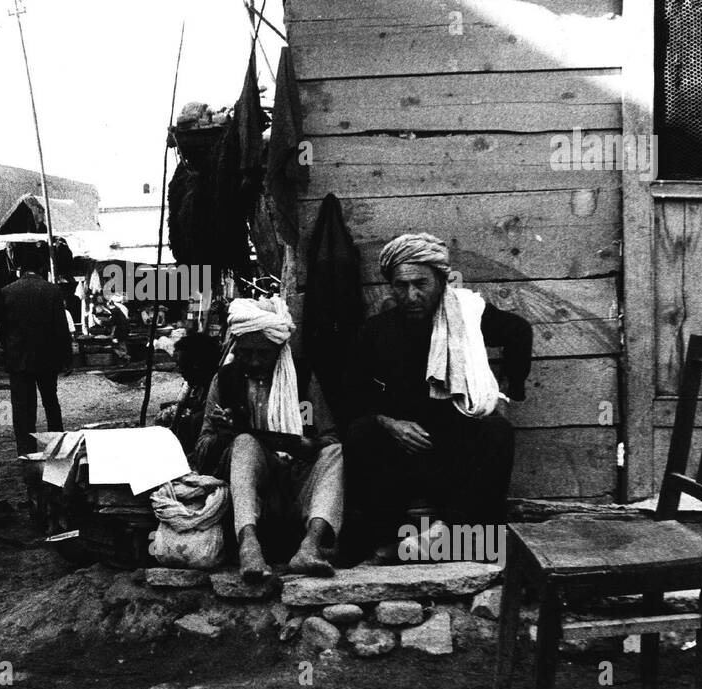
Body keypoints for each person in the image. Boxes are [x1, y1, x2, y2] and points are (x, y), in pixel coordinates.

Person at [342, 233, 532, 561]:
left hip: (456, 447)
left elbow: (520, 332)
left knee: (497, 432)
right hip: (405, 449)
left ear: (441, 281)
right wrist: (389, 423)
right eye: (401, 286)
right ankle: (392, 539)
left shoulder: (468, 317)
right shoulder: (377, 331)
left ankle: (453, 535)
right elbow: (353, 393)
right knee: (361, 433)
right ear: (391, 286)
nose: (412, 295)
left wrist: (505, 394)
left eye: (421, 284)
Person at [193, 297, 343, 580]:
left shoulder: (301, 376)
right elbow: (200, 453)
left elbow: (329, 435)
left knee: (334, 452)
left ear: (279, 349)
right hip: (251, 491)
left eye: (263, 353)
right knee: (245, 443)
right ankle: (249, 546)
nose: (254, 361)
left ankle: (310, 547)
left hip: (294, 483)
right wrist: (222, 437)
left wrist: (309, 446)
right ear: (236, 349)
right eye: (246, 353)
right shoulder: (225, 379)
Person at [0, 248, 73, 455]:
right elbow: (61, 327)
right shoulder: (52, 291)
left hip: (18, 360)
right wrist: (66, 358)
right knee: (51, 402)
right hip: (47, 359)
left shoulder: (7, 291)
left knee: (23, 408)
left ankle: (26, 451)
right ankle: (58, 448)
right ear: (41, 268)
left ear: (20, 269)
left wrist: (9, 353)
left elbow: (3, 329)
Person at [156, 331, 221, 456]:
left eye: (183, 367)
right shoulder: (199, 386)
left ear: (197, 366)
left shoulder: (217, 386)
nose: (180, 372)